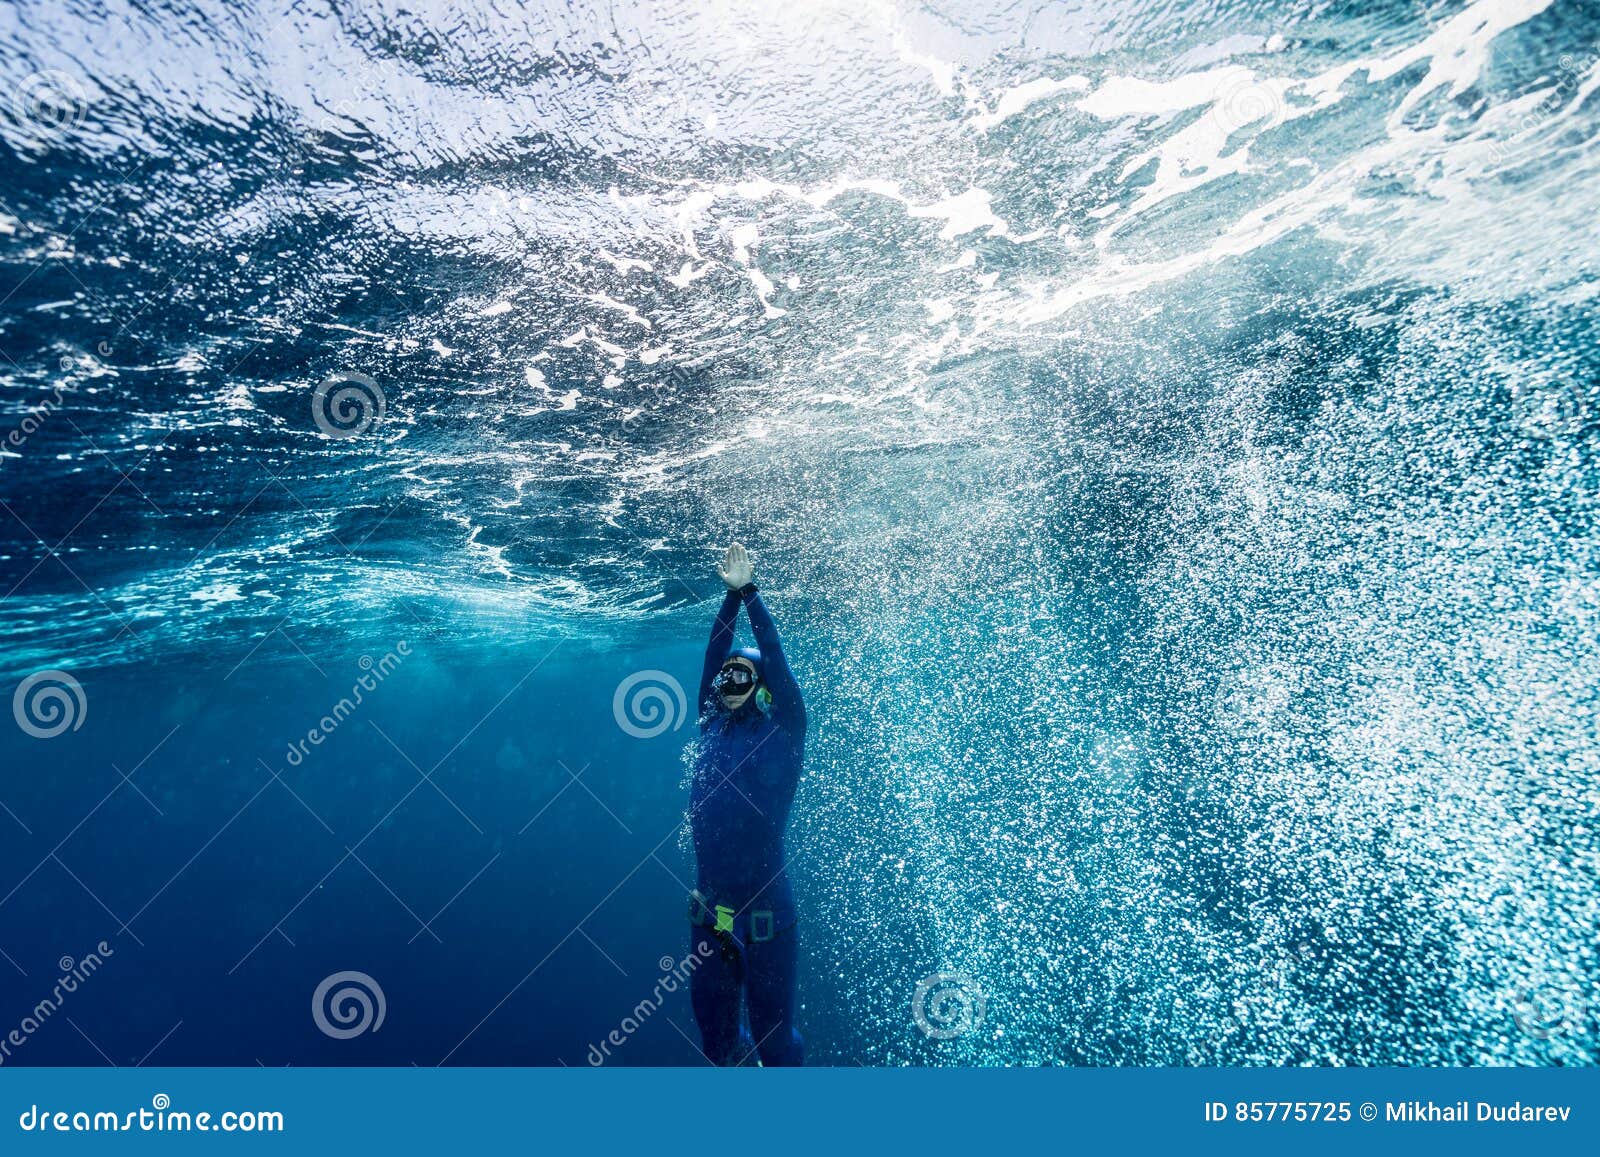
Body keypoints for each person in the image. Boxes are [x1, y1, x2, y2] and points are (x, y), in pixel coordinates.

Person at [686, 542, 806, 1066]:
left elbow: (774, 659)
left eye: (742, 675)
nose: (728, 681)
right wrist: (727, 601)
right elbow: (714, 654)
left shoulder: (786, 727)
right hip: (711, 915)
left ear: (762, 687)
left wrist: (750, 595)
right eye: (725, 676)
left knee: (772, 1043)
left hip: (768, 919)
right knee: (716, 1043)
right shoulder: (709, 723)